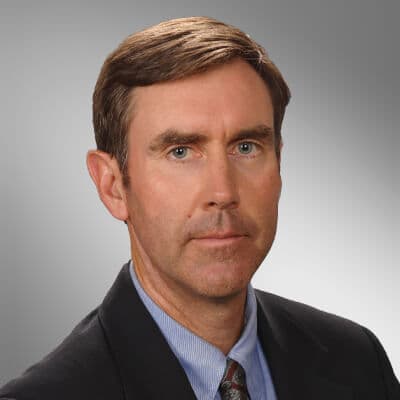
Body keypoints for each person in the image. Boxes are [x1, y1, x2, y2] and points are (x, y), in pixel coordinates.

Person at [1, 16, 398, 400]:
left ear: (279, 162)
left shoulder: (358, 362)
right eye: (180, 151)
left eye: (246, 147)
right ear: (112, 186)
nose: (223, 191)